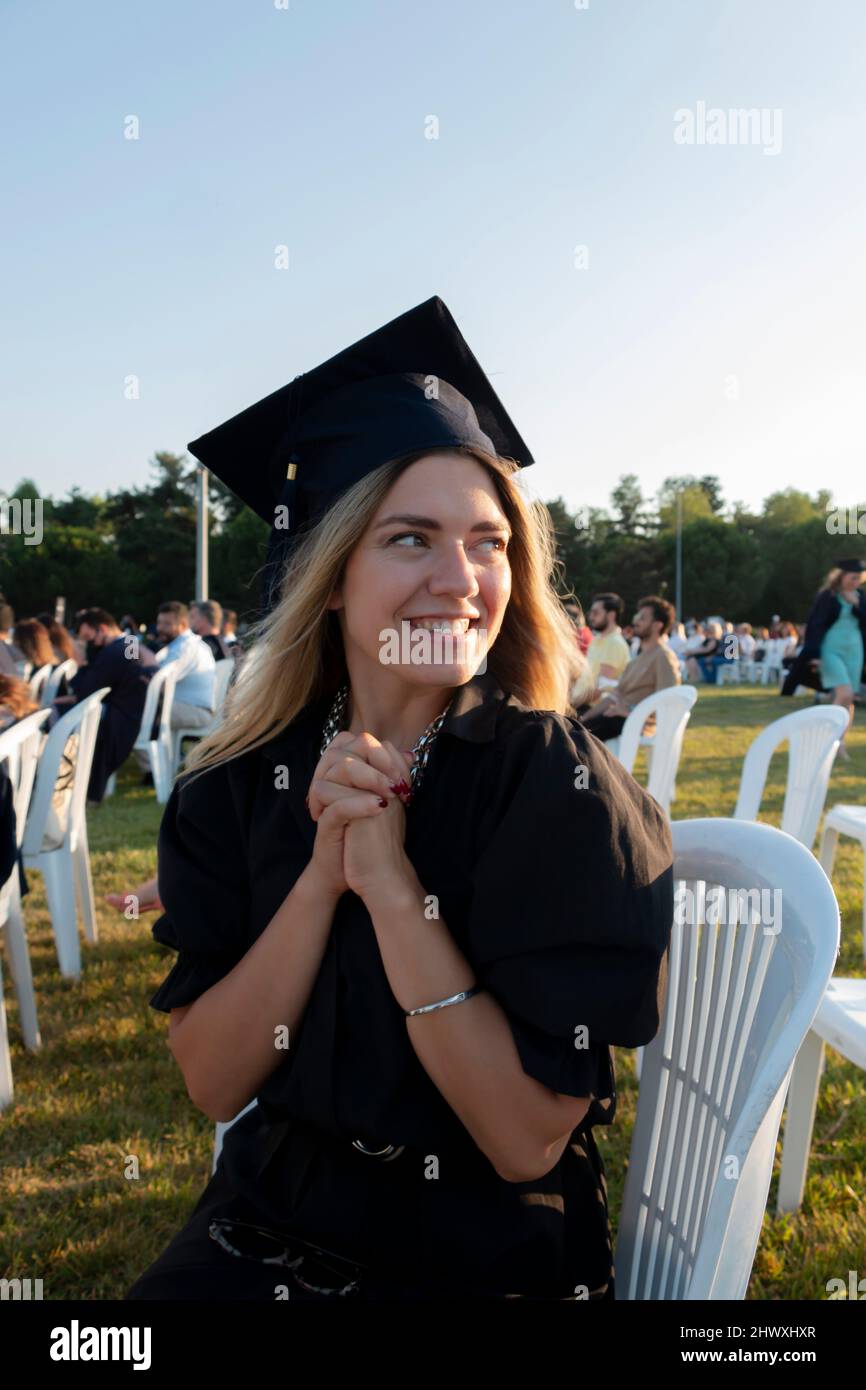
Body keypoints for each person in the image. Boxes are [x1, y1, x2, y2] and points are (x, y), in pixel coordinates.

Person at [126, 295, 673, 1303]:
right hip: (269, 1217)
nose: (459, 579)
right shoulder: (241, 786)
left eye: (487, 540)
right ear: (328, 574)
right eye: (409, 539)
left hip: (473, 1244)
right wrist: (321, 877)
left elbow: (519, 1140)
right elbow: (215, 1079)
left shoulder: (547, 786)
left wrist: (390, 891)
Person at [54, 608, 158, 801]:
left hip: (118, 718)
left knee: (56, 714)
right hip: (133, 713)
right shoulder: (130, 642)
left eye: (87, 636)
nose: (87, 642)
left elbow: (86, 689)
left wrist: (82, 660)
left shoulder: (112, 652)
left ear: (102, 629)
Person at [781, 558, 866, 760]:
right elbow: (815, 625)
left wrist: (856, 605)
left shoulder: (860, 597)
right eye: (853, 578)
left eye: (859, 579)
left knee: (848, 699)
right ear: (842, 576)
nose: (856, 582)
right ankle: (828, 739)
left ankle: (839, 743)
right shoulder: (828, 596)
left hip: (854, 650)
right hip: (831, 649)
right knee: (843, 692)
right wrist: (815, 654)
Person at [577, 596, 681, 742]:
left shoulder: (663, 656)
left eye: (642, 618)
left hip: (636, 723)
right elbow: (614, 696)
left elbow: (668, 702)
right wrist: (583, 718)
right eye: (637, 616)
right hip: (617, 717)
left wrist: (629, 712)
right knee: (574, 728)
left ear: (657, 625)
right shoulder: (637, 659)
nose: (636, 621)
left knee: (575, 738)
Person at [133, 602, 216, 779]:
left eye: (167, 624)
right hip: (187, 707)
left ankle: (153, 771)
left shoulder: (186, 647)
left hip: (196, 711)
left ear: (183, 625)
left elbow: (160, 682)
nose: (160, 628)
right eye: (159, 623)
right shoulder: (178, 645)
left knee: (134, 711)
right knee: (137, 707)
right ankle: (158, 767)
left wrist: (142, 655)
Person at [584, 593, 631, 703]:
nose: (591, 617)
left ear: (611, 615)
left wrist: (571, 705)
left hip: (592, 709)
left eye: (596, 613)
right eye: (591, 612)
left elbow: (599, 689)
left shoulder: (614, 643)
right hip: (583, 703)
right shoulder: (598, 639)